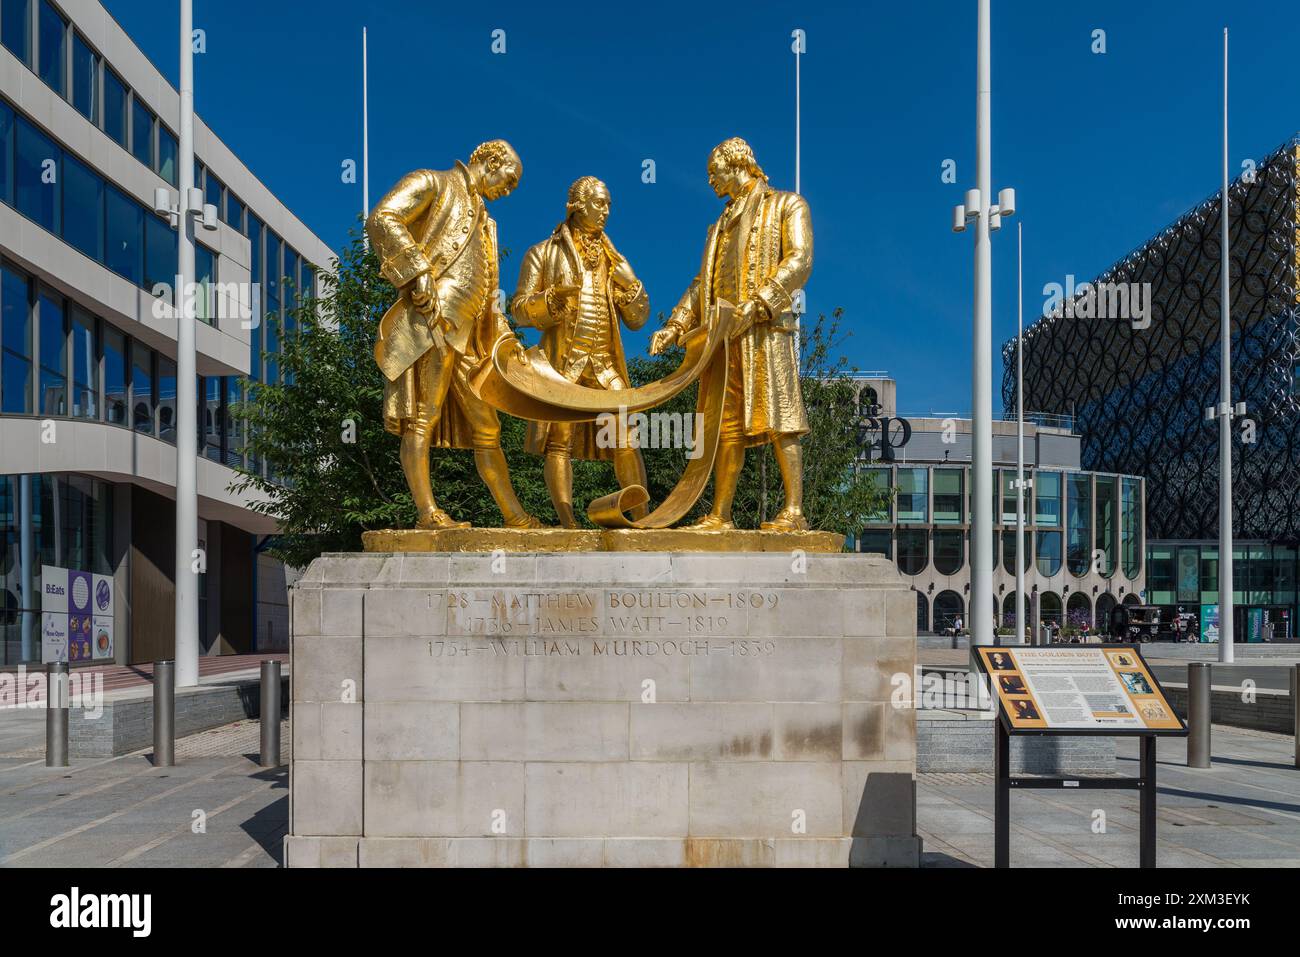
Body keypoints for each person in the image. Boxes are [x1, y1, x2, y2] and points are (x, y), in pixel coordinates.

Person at [367, 140, 541, 529]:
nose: (507, 191)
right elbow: (383, 218)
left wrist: (505, 341)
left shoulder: (488, 223)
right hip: (433, 322)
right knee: (422, 419)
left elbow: (489, 294)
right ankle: (427, 513)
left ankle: (516, 518)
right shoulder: (432, 181)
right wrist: (418, 273)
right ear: (491, 161)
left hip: (471, 338)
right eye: (508, 180)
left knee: (489, 427)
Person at [649, 137, 813, 530]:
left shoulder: (787, 205)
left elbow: (800, 259)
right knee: (725, 426)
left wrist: (758, 304)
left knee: (781, 417)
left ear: (737, 164)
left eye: (713, 172)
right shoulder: (719, 226)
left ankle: (794, 511)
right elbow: (700, 283)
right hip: (720, 337)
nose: (710, 181)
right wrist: (675, 324)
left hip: (765, 329)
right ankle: (720, 513)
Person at [512, 177, 650, 527]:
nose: (606, 210)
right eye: (600, 203)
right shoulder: (542, 253)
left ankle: (642, 519)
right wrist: (550, 300)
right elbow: (518, 309)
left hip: (605, 364)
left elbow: (637, 320)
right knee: (559, 442)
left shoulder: (615, 258)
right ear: (576, 205)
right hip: (563, 365)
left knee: (626, 437)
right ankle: (567, 521)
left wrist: (631, 283)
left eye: (608, 204)